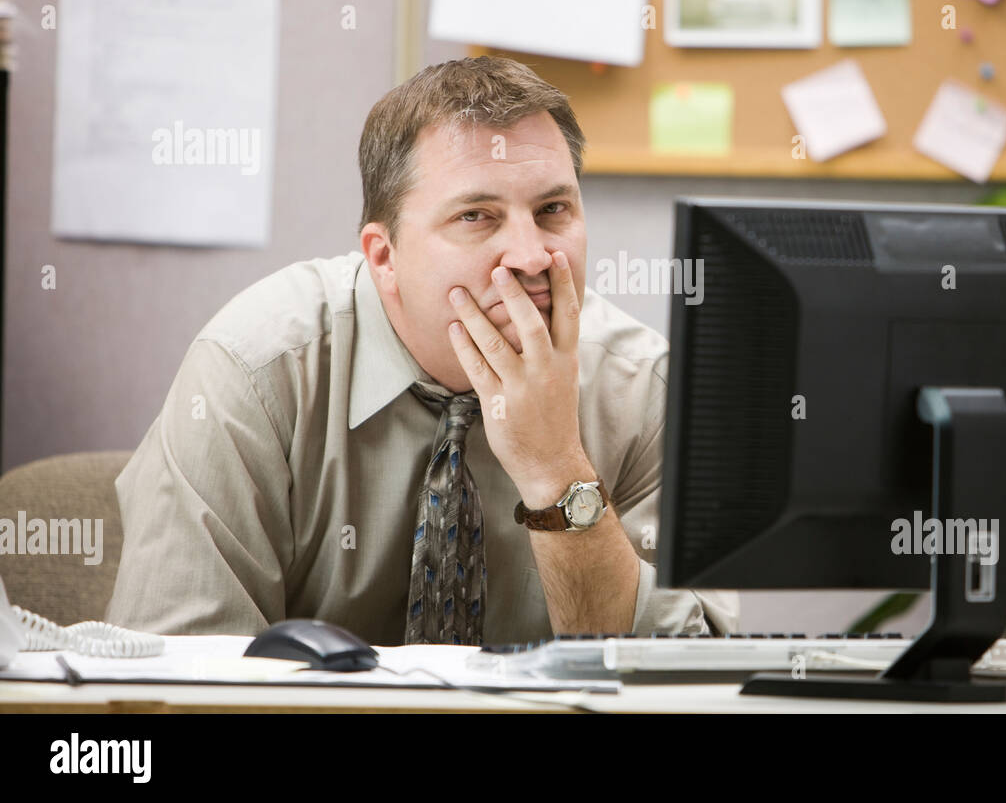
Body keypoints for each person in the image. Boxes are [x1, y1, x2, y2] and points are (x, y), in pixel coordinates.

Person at [105, 57, 739, 645]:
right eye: (476, 217)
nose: (530, 257)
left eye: (553, 210)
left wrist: (556, 468)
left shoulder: (646, 390)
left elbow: (684, 687)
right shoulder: (256, 372)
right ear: (385, 257)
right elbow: (175, 682)